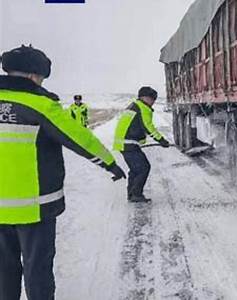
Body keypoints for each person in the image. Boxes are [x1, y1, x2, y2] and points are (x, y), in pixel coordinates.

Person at [0, 45, 126, 300]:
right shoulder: (40, 105)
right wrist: (109, 163)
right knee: (37, 271)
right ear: (34, 75)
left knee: (4, 271)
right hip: (34, 208)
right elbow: (80, 139)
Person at [113, 86, 170, 203]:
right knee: (144, 168)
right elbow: (148, 126)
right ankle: (136, 194)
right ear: (144, 97)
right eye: (152, 98)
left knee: (135, 169)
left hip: (125, 143)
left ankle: (131, 194)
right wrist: (161, 140)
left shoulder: (134, 105)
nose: (153, 102)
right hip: (128, 143)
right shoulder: (143, 107)